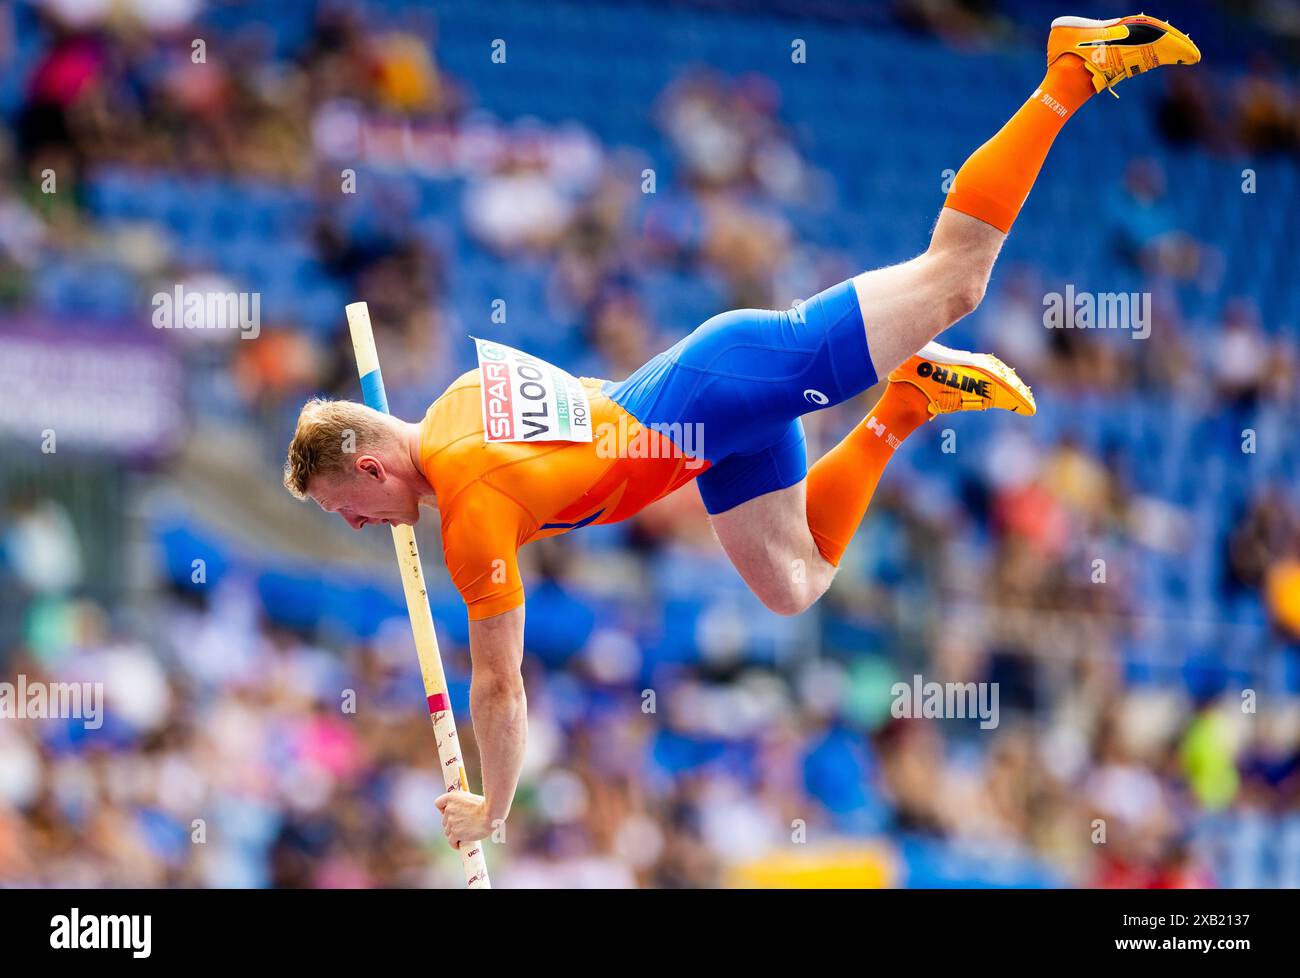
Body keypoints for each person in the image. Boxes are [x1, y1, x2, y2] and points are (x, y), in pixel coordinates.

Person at [282, 15, 1200, 852]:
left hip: (723, 387)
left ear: (368, 463)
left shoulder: (469, 510)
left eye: (346, 508)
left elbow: (499, 685)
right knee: (795, 582)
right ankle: (905, 404)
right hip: (701, 423)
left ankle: (1067, 74)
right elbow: (584, 431)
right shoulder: (450, 405)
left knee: (956, 279)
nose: (359, 526)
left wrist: (494, 806)